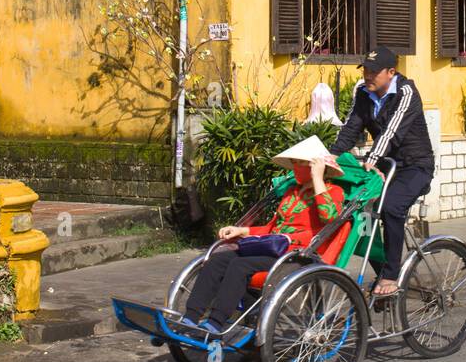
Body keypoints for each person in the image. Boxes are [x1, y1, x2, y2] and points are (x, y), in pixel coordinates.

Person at [182, 156, 344, 336]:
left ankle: (216, 322)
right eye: (294, 162)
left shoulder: (333, 191)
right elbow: (271, 228)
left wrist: (317, 178)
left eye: (300, 163)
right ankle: (190, 317)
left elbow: (329, 218)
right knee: (218, 260)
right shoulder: (292, 192)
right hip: (273, 248)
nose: (295, 167)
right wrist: (242, 230)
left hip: (299, 255)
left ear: (316, 166)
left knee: (239, 266)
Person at [328, 45, 433, 298]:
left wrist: (373, 158)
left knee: (390, 207)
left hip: (414, 166)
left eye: (374, 72)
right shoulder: (363, 92)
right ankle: (381, 268)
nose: (368, 76)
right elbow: (351, 127)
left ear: (391, 72)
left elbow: (393, 131)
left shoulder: (407, 92)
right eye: (365, 70)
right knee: (356, 212)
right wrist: (330, 156)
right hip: (386, 166)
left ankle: (390, 274)